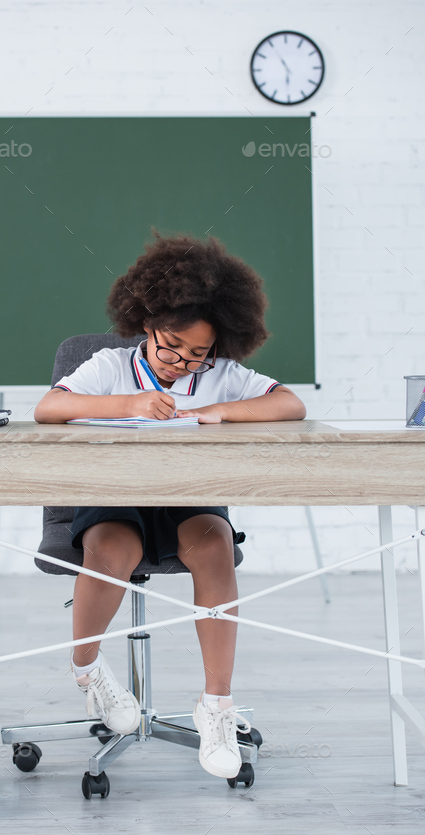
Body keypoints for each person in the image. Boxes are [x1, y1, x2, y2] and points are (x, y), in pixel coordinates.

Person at [34, 232, 306, 779]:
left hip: (188, 497)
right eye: (170, 347)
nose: (181, 362)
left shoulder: (220, 378)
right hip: (115, 497)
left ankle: (217, 707)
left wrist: (221, 413)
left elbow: (292, 403)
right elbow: (47, 408)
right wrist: (128, 404)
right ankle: (88, 671)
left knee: (214, 545)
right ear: (148, 322)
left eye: (197, 353)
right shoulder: (110, 366)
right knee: (112, 548)